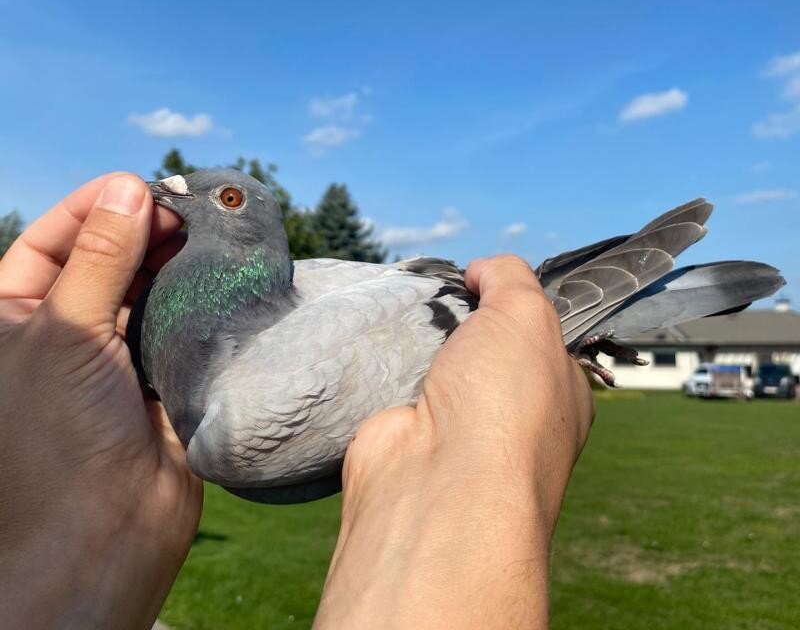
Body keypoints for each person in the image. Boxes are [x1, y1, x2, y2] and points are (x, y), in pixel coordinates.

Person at [0, 174, 594, 630]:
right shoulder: (271, 286)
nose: (175, 190)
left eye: (226, 198)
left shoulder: (245, 415)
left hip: (451, 315)